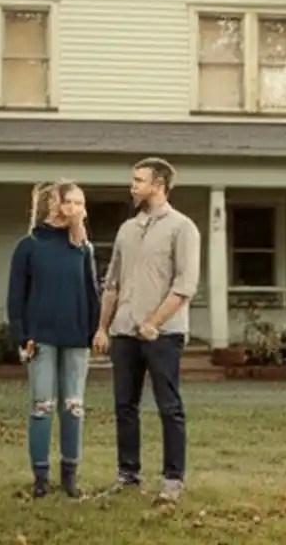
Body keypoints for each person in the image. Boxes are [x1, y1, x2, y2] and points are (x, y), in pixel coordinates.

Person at [92, 157, 201, 504]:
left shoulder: (182, 228)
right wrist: (102, 327)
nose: (133, 186)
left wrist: (154, 322)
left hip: (163, 335)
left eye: (139, 180)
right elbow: (112, 283)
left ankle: (172, 480)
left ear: (159, 184)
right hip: (124, 332)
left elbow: (185, 285)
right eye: (133, 180)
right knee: (125, 406)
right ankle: (128, 475)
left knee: (169, 406)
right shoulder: (127, 229)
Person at [6, 179, 101, 499]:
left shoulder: (83, 249)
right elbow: (16, 297)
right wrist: (22, 336)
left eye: (80, 203)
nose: (75, 208)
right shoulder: (29, 246)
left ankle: (70, 475)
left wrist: (96, 332)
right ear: (53, 204)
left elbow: (91, 294)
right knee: (42, 406)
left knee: (73, 407)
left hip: (76, 339)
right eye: (69, 201)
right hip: (41, 339)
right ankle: (41, 477)